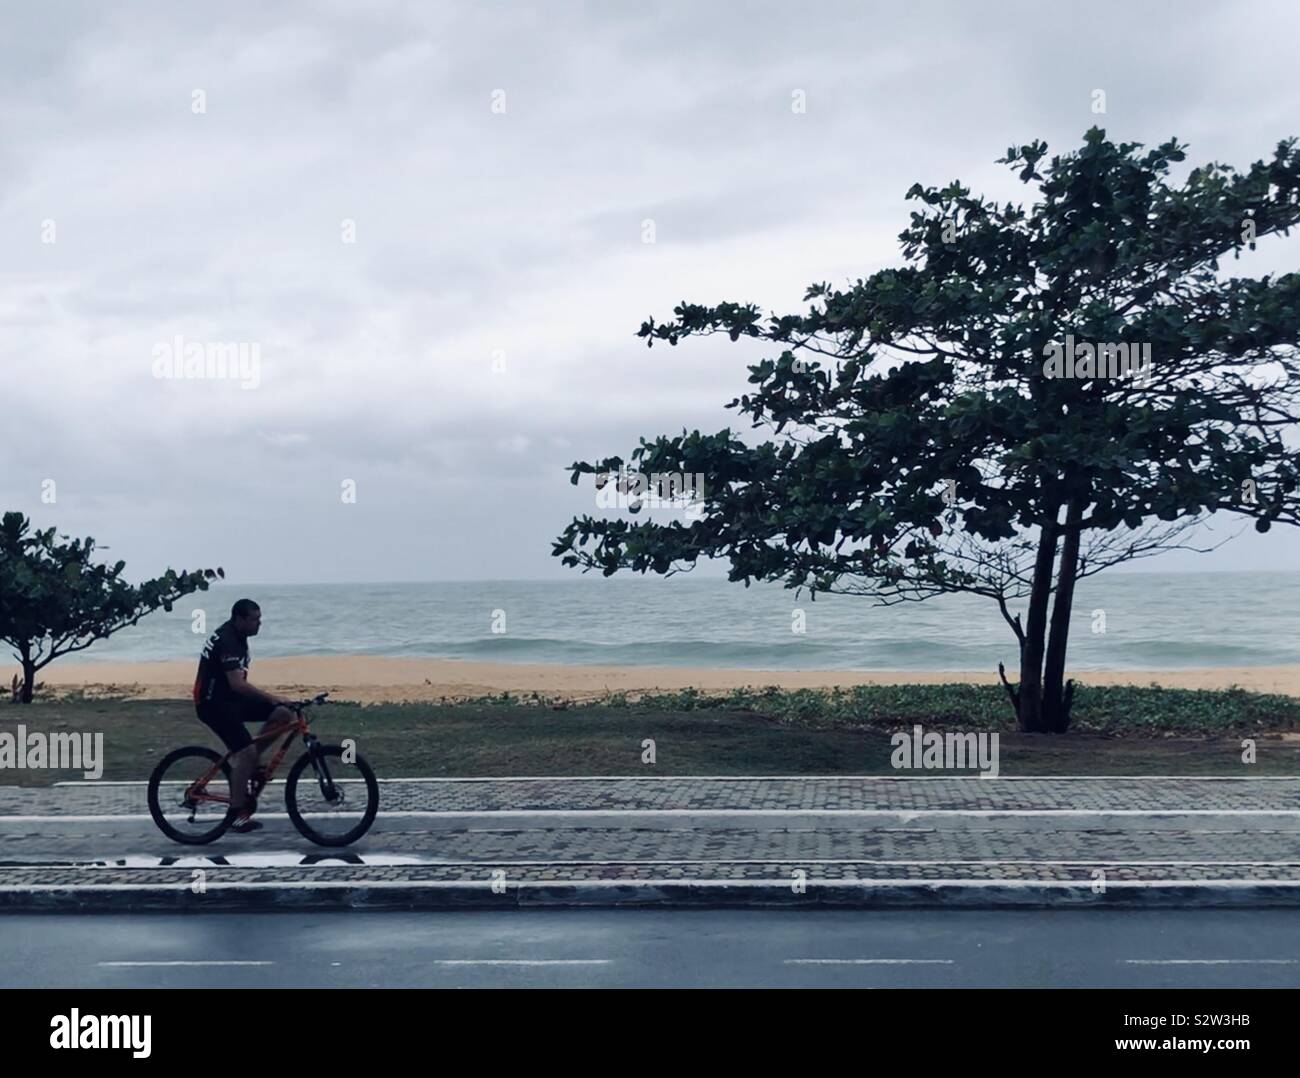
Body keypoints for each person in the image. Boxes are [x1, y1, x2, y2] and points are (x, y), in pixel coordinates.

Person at [193, 599, 296, 833]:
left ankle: (245, 764)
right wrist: (273, 697)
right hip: (212, 704)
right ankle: (237, 813)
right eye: (254, 619)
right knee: (248, 751)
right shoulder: (229, 640)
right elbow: (237, 684)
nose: (259, 624)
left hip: (229, 699)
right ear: (239, 619)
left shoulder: (238, 636)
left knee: (283, 714)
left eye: (260, 619)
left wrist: (276, 702)